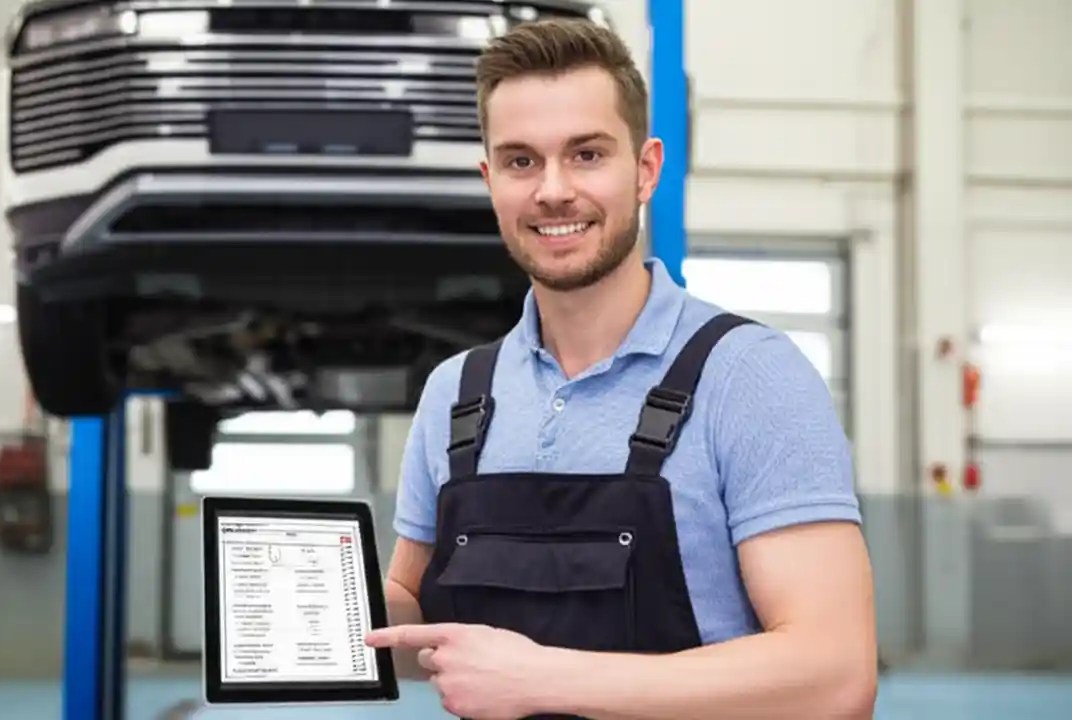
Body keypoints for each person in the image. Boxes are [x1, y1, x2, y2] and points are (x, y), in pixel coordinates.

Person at [363, 17, 878, 720]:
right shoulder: (456, 393)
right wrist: (310, 601)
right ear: (490, 181)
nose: (551, 190)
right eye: (520, 161)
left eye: (586, 154)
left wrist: (542, 681)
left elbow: (834, 675)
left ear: (645, 169)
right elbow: (414, 615)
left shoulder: (748, 377)